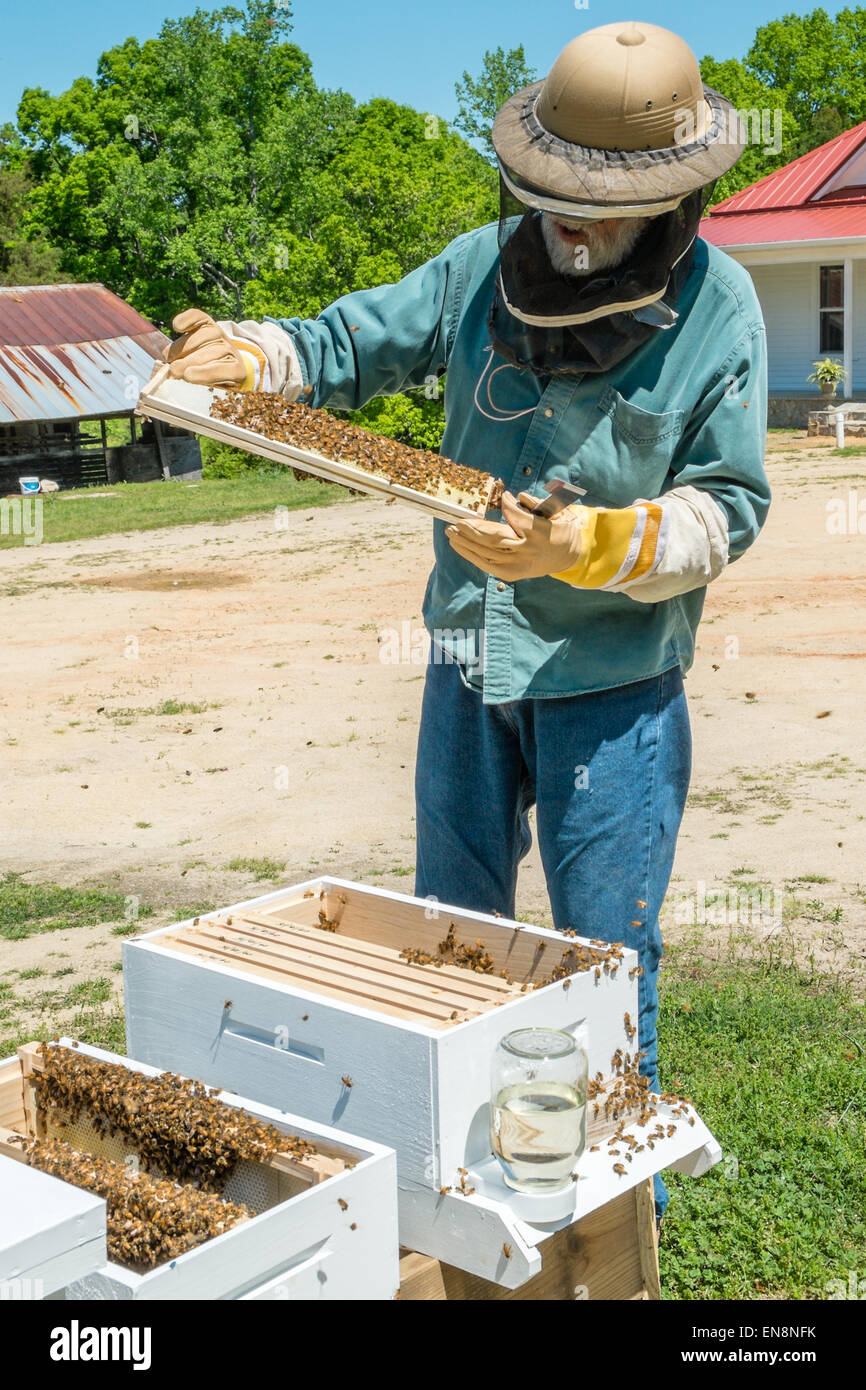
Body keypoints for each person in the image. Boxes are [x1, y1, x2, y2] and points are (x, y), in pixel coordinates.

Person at [163, 20, 770, 1223]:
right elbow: (346, 343)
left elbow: (726, 505)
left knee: (600, 969)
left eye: (597, 208)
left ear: (669, 199)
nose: (569, 226)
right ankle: (467, 1199)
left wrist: (583, 542)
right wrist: (256, 354)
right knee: (453, 940)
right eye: (552, 198)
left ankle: (605, 1235)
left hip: (613, 688)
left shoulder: (724, 310)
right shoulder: (477, 266)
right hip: (462, 662)